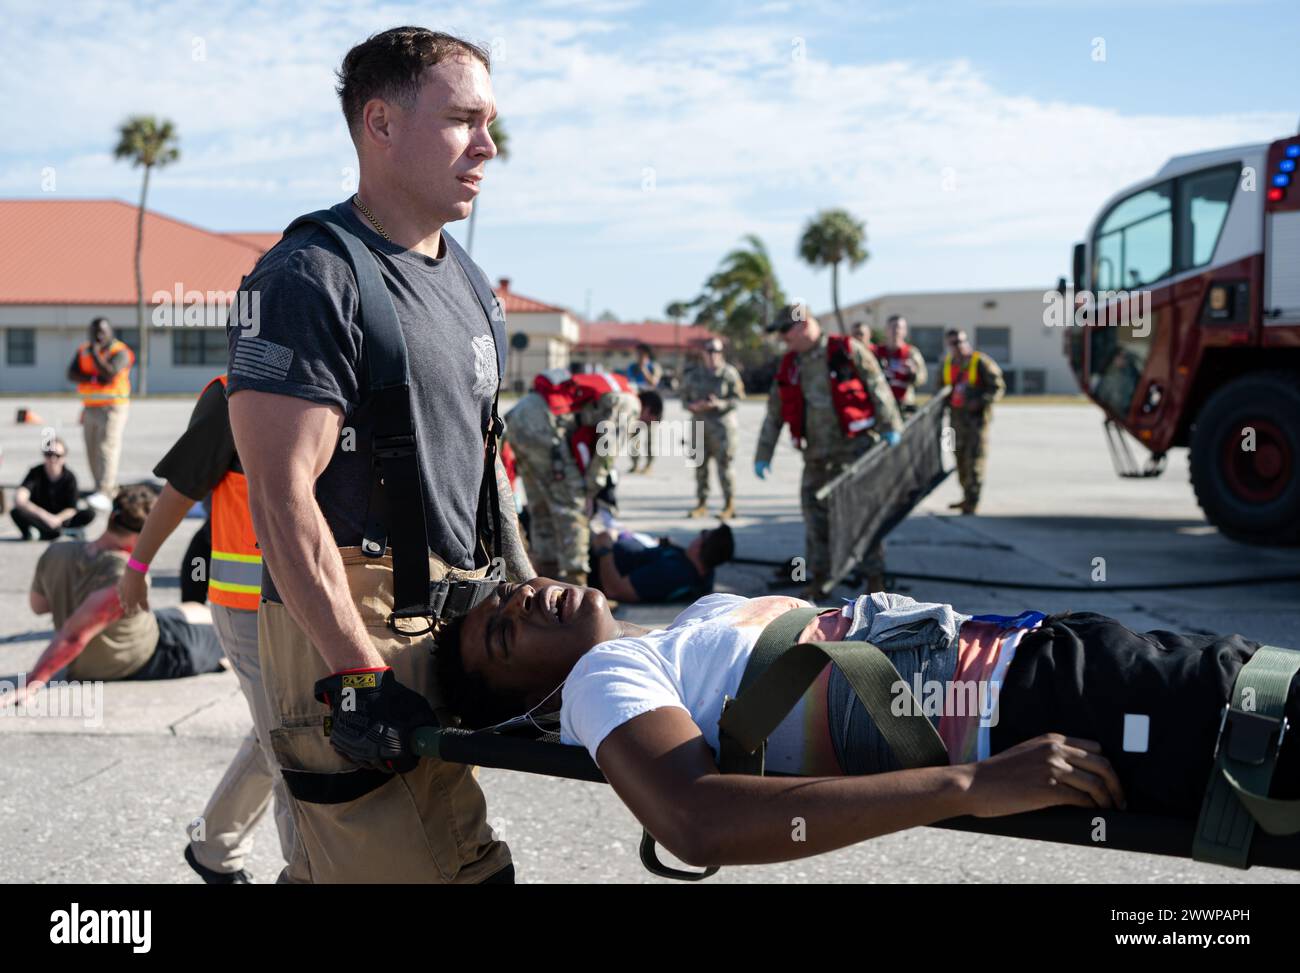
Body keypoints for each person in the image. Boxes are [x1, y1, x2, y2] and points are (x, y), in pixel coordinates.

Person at [225, 27, 533, 884]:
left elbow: (481, 473)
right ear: (381, 123)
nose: (489, 146)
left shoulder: (472, 284)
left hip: (446, 625)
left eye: (491, 122)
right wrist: (353, 670)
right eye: (464, 120)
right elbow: (281, 494)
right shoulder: (308, 276)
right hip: (346, 633)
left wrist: (525, 596)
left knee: (380, 863)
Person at [436, 578, 1298, 869]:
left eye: (507, 593)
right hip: (1033, 709)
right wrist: (969, 786)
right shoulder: (603, 675)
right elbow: (694, 819)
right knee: (1260, 731)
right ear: (527, 704)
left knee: (1259, 691)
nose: (525, 598)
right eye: (505, 633)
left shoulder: (685, 619)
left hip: (1051, 657)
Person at [117, 374, 296, 885]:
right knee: (291, 743)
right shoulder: (231, 392)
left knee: (279, 734)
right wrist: (137, 566)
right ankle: (310, 871)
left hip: (308, 604)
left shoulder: (332, 380)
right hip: (246, 610)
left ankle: (213, 846)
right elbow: (180, 490)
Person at [14, 486, 224, 696]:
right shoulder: (125, 575)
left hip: (143, 628)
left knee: (195, 609)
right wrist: (32, 682)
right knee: (228, 642)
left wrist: (71, 591)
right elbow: (74, 635)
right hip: (139, 656)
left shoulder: (58, 551)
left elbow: (39, 606)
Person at [754, 304, 903, 599]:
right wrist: (763, 454)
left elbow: (877, 386)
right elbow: (775, 413)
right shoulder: (790, 365)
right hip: (817, 456)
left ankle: (875, 579)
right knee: (815, 516)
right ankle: (821, 581)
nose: (783, 338)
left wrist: (891, 424)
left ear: (803, 325)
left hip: (856, 450)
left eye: (785, 331)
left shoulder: (845, 350)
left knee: (863, 515)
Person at [505, 368, 656, 586]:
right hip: (543, 425)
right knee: (573, 508)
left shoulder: (614, 388)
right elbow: (607, 451)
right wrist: (590, 492)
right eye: (646, 424)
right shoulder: (630, 404)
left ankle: (545, 583)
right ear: (648, 411)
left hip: (521, 419)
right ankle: (577, 588)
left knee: (542, 508)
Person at [67, 317, 134, 510]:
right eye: (94, 332)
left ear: (110, 332)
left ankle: (106, 490)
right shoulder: (83, 350)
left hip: (113, 407)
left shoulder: (120, 352)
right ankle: (99, 487)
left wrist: (96, 355)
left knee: (107, 447)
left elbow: (110, 373)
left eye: (102, 332)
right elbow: (72, 373)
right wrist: (94, 378)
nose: (97, 336)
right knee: (92, 448)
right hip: (90, 406)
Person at [940, 328, 1006, 515]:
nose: (958, 346)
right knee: (959, 460)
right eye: (954, 343)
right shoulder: (947, 364)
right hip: (955, 423)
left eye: (961, 341)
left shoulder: (980, 362)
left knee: (975, 462)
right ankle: (966, 496)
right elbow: (941, 391)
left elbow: (998, 387)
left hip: (976, 423)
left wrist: (980, 401)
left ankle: (972, 502)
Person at [590, 520, 733, 604]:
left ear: (699, 547)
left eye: (703, 534)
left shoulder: (672, 573)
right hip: (613, 542)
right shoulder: (700, 569)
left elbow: (615, 590)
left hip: (593, 561)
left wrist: (604, 551)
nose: (698, 535)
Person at [681, 338, 745, 519]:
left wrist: (719, 404)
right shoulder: (693, 375)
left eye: (716, 352)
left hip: (722, 429)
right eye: (709, 352)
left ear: (721, 353)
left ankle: (729, 504)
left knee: (724, 467)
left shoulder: (729, 373)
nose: (712, 355)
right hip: (699, 428)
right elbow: (684, 400)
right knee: (700, 468)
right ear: (703, 354)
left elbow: (737, 399)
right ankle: (701, 504)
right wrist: (694, 406)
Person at [10, 438, 95, 541]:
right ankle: (60, 532)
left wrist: (57, 519)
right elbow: (19, 498)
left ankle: (45, 533)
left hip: (62, 519)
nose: (53, 459)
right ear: (44, 455)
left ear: (64, 457)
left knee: (89, 513)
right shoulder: (35, 473)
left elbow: (72, 508)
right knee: (16, 512)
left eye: (58, 456)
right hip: (40, 517)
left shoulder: (70, 477)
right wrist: (46, 516)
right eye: (49, 454)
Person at [871, 315, 928, 414]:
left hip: (904, 405)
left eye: (899, 327)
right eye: (892, 327)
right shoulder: (876, 352)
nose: (895, 331)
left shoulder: (911, 352)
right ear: (886, 330)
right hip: (881, 406)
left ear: (904, 331)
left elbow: (922, 378)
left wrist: (913, 373)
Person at [626, 344, 663, 474]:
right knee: (633, 436)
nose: (639, 357)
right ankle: (635, 463)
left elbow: (653, 382)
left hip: (651, 406)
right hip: (637, 404)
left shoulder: (654, 367)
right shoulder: (632, 367)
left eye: (641, 354)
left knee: (650, 437)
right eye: (637, 354)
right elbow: (629, 383)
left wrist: (644, 370)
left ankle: (648, 465)